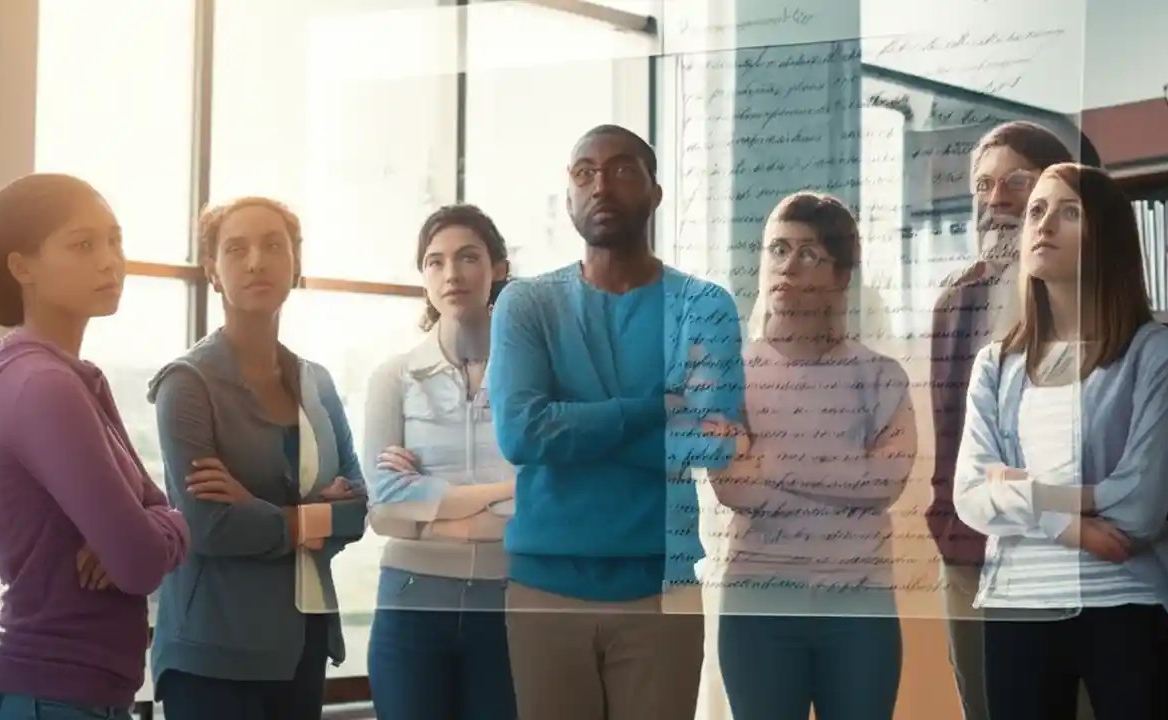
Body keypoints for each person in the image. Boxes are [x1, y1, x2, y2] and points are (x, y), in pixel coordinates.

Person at [488, 124, 746, 720]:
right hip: (545, 589)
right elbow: (522, 435)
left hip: (663, 586)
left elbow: (711, 445)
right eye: (584, 173)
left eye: (622, 169)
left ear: (656, 192)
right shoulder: (527, 303)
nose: (601, 184)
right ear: (569, 195)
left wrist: (574, 430)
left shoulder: (703, 305)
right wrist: (651, 407)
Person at [952, 163, 1168, 720]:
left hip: (1127, 604)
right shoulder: (996, 364)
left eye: (1069, 212)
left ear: (1104, 237)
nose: (1044, 224)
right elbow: (971, 495)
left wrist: (1024, 491)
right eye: (1037, 210)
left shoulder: (1154, 353)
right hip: (1018, 605)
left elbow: (1139, 508)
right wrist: (1070, 517)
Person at [0, 173, 189, 719]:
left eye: (114, 240)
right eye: (83, 244)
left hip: (81, 696)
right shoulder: (41, 385)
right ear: (22, 267)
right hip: (47, 696)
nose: (109, 261)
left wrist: (155, 522)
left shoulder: (76, 378)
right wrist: (150, 527)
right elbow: (140, 562)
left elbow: (159, 517)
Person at [147, 197, 368, 719]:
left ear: (296, 262)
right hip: (214, 656)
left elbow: (357, 511)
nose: (256, 261)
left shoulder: (317, 382)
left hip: (303, 642)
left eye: (274, 245)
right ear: (213, 273)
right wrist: (313, 514)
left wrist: (256, 506)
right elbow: (210, 528)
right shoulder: (187, 384)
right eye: (236, 248)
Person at [707, 192, 916, 720]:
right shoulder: (730, 373)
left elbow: (883, 485)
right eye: (777, 249)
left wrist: (771, 463)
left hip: (860, 608)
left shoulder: (881, 375)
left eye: (808, 254)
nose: (786, 266)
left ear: (843, 274)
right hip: (759, 605)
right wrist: (845, 474)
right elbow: (734, 487)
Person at [926, 119, 1100, 720]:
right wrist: (947, 531)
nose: (995, 200)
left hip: (1072, 558)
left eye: (1015, 183)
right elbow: (949, 440)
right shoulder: (954, 303)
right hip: (971, 557)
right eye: (983, 185)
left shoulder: (1094, 301)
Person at [364, 204, 516, 720]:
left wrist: (429, 505)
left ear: (497, 268)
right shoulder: (394, 377)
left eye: (468, 257)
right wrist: (502, 493)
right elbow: (384, 511)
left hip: (509, 601)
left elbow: (549, 497)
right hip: (410, 603)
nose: (451, 273)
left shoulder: (534, 374)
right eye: (435, 261)